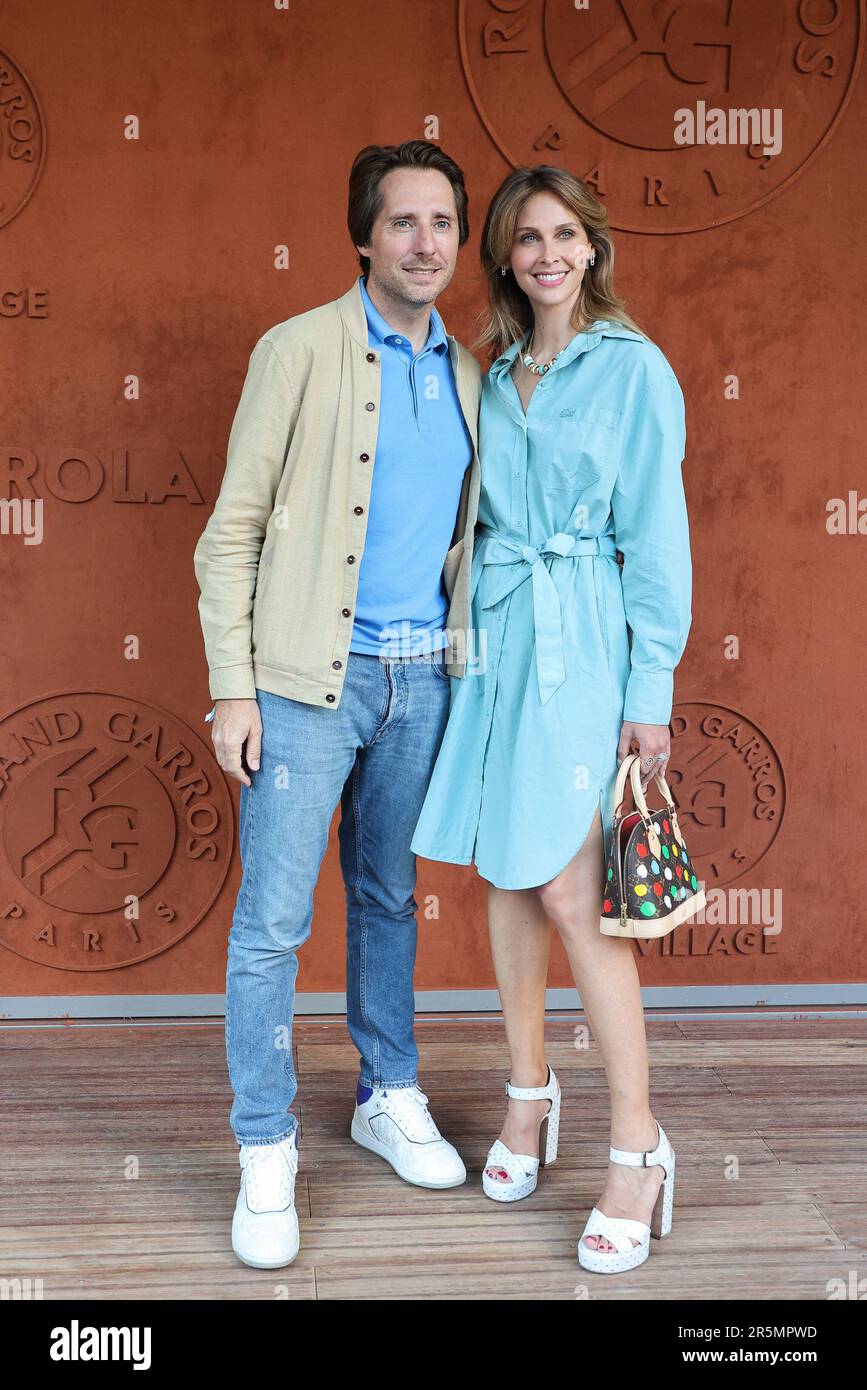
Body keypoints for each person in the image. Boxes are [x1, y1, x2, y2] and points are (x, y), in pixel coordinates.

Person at [193, 139, 482, 1269]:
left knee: (388, 897)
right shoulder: (300, 349)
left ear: (462, 240)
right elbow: (232, 532)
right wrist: (231, 687)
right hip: (307, 682)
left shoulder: (470, 372)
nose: (425, 243)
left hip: (424, 678)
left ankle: (386, 1090)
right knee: (273, 920)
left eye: (443, 224)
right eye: (403, 222)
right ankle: (265, 1144)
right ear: (364, 236)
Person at [410, 164, 694, 1274]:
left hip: (583, 645)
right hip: (494, 644)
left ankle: (639, 1145)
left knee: (578, 890)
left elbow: (658, 539)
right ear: (505, 257)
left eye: (564, 234)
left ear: (593, 247)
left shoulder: (634, 370)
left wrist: (651, 693)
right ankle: (529, 1093)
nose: (546, 254)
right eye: (526, 238)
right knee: (506, 871)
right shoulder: (490, 368)